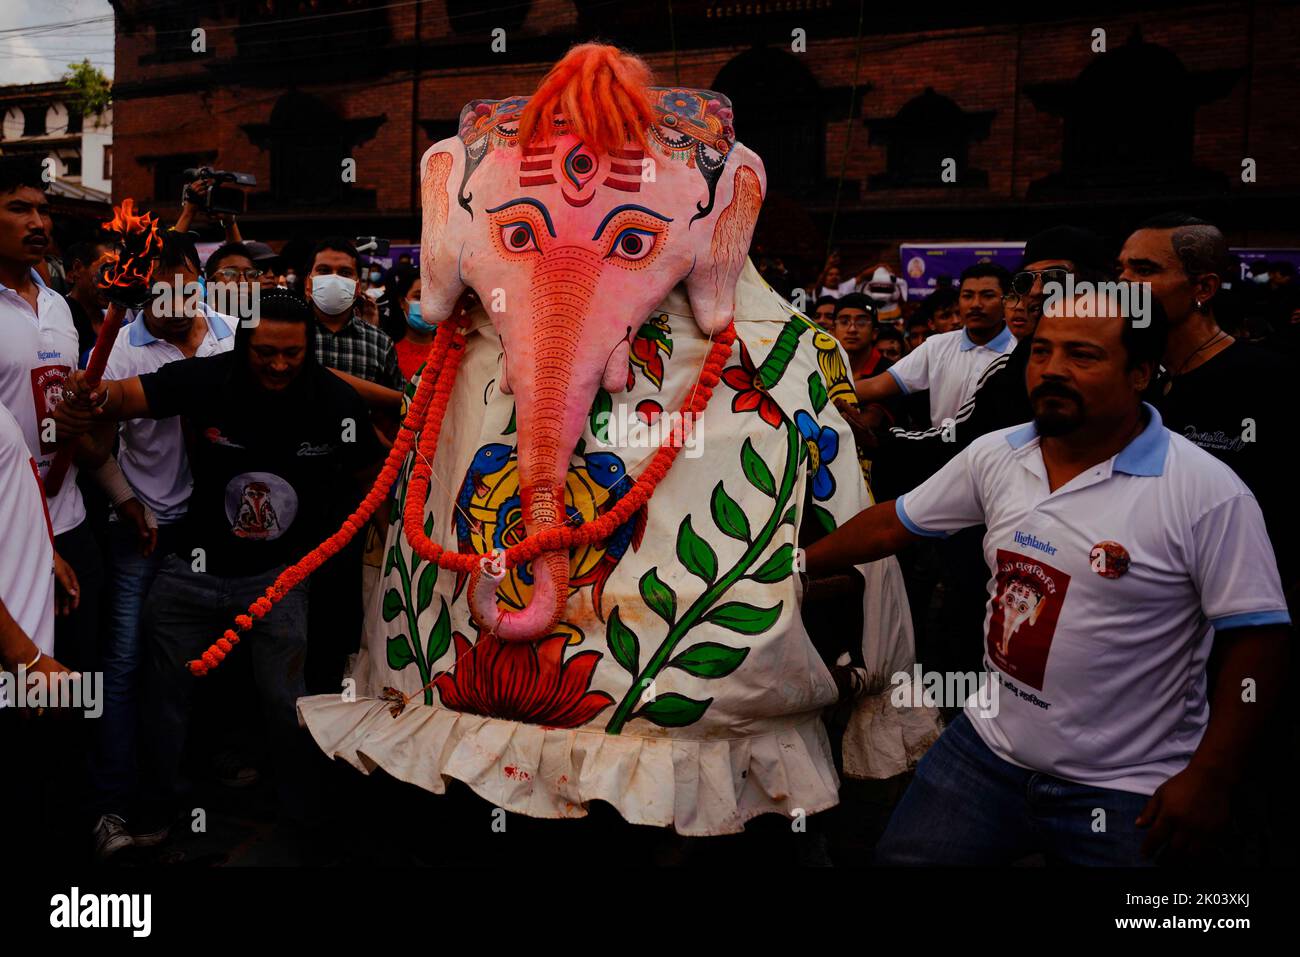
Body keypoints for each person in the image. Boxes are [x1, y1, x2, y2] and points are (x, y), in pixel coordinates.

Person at [806, 284, 1290, 865]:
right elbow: (894, 524)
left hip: (1125, 788)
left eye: (1082, 356)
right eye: (1041, 351)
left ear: (1140, 373)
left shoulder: (1206, 494)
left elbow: (1258, 640)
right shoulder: (999, 456)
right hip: (984, 755)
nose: (1052, 370)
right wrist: (789, 566)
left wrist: (1211, 777)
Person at [54, 288, 385, 839]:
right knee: (166, 703)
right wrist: (83, 399)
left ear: (309, 351)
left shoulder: (334, 402)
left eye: (292, 354)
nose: (279, 365)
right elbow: (122, 396)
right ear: (244, 344)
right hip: (193, 572)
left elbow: (371, 482)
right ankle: (160, 815)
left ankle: (302, 823)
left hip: (285, 580)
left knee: (288, 706)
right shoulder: (207, 378)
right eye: (265, 353)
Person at [86, 230, 238, 859]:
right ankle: (114, 807)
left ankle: (204, 778)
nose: (174, 291)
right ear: (142, 286)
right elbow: (92, 439)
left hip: (221, 531)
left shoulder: (231, 333)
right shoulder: (119, 349)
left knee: (211, 659)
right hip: (144, 532)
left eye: (184, 276)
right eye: (159, 279)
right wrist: (127, 500)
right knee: (123, 665)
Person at [1118, 213, 1298, 605]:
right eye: (1122, 269)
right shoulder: (1134, 379)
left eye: (1145, 269)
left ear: (1203, 287)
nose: (1125, 283)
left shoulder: (1271, 381)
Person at [0, 155, 99, 675]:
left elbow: (74, 420)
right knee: (19, 684)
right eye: (19, 209)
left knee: (74, 677)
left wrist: (84, 416)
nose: (38, 223)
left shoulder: (59, 307)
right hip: (8, 532)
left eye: (43, 210)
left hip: (70, 522)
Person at [854, 263, 1015, 428]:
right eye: (967, 296)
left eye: (987, 296)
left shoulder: (1022, 351)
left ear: (1007, 301)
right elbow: (877, 386)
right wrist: (828, 392)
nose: (975, 304)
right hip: (945, 450)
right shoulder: (937, 347)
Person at [306, 237, 403, 390]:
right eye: (324, 271)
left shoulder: (380, 343)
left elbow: (399, 404)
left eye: (345, 272)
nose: (334, 279)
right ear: (308, 283)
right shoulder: (289, 336)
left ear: (358, 287)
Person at [62, 239, 111, 361]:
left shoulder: (119, 320)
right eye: (107, 273)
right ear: (78, 269)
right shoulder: (58, 318)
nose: (113, 283)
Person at [392, 273, 436, 382]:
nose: (427, 304)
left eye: (434, 298)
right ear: (402, 302)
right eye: (418, 297)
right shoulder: (389, 353)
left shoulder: (452, 352)